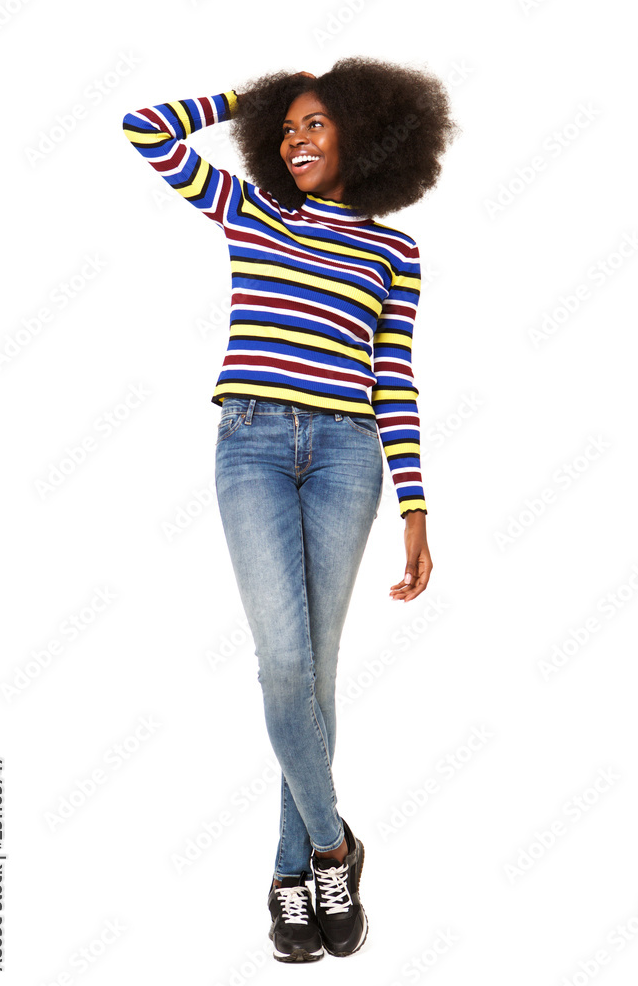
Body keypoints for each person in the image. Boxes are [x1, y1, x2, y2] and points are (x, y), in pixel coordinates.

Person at [122, 56, 458, 962]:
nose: (296, 139)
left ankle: (286, 886)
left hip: (349, 456)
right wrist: (253, 96)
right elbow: (144, 128)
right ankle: (331, 847)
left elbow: (392, 375)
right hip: (253, 444)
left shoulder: (396, 251)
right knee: (281, 665)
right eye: (286, 127)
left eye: (316, 121)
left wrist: (416, 506)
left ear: (363, 130)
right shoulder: (254, 209)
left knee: (314, 671)